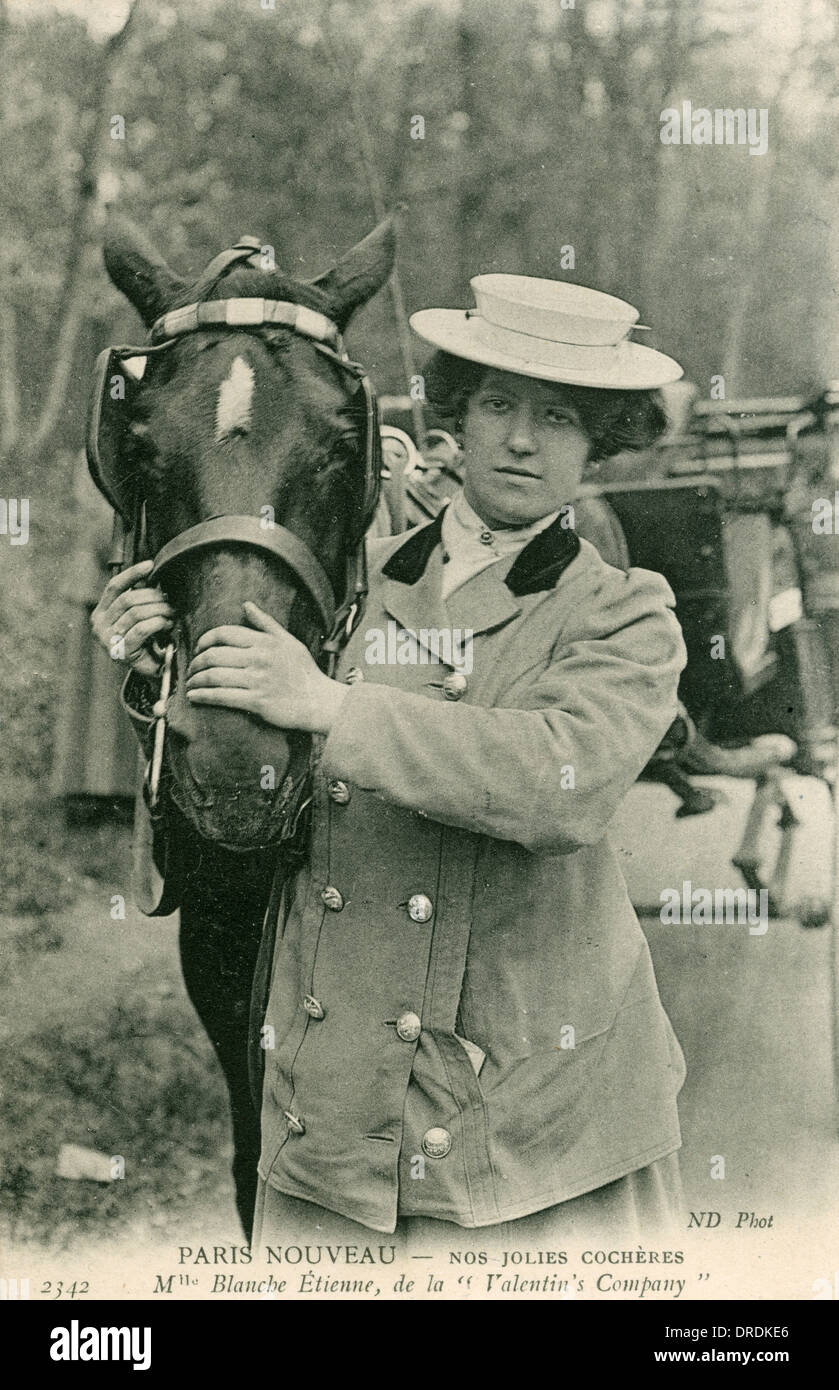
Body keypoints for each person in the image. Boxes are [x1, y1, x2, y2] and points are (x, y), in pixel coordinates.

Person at [96, 275, 690, 1249]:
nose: (520, 440)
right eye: (497, 404)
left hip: (530, 1137)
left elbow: (561, 783)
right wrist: (157, 676)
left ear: (599, 443)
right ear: (456, 411)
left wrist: (330, 705)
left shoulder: (624, 609)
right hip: (332, 1123)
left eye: (558, 416)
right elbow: (253, 806)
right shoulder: (346, 591)